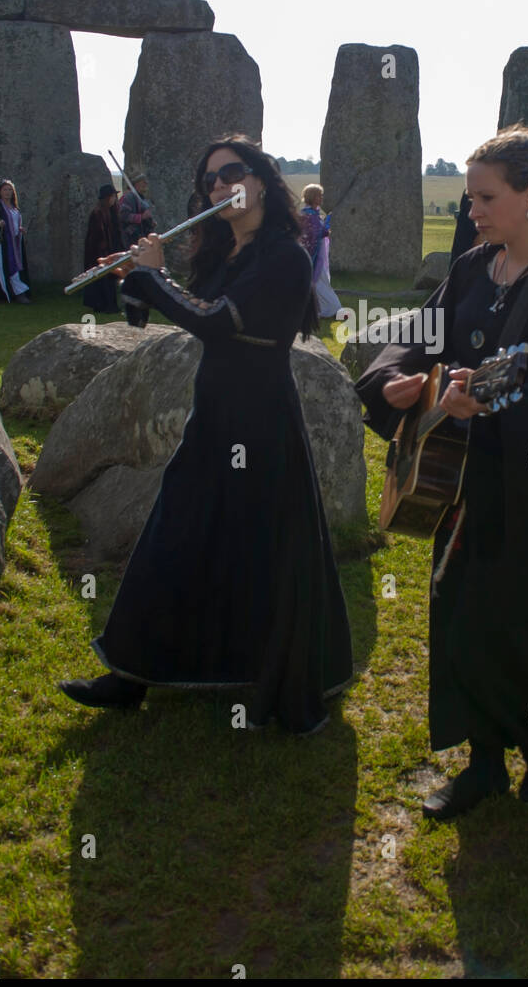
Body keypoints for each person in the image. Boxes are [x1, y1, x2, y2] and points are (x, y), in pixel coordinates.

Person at [356, 125, 528, 820]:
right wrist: (394, 385)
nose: (471, 211)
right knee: (464, 617)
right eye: (468, 197)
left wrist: (497, 403)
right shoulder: (473, 267)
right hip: (462, 482)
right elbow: (414, 338)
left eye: (484, 198)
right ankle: (484, 764)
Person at [59, 136, 353, 735]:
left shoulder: (286, 257)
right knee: (172, 539)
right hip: (214, 418)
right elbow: (183, 310)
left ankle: (280, 684)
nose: (220, 188)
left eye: (232, 174)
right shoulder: (225, 256)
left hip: (263, 427)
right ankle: (131, 674)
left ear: (263, 181)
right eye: (210, 182)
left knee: (267, 559)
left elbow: (219, 323)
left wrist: (153, 278)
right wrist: (139, 280)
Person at [299, 183, 340, 318]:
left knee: (320, 284)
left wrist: (325, 225)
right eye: (319, 195)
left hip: (317, 256)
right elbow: (310, 235)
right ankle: (333, 309)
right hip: (314, 257)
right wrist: (325, 228)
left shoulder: (313, 214)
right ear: (312, 197)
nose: (321, 198)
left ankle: (321, 309)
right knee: (320, 283)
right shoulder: (308, 215)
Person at [82, 184, 124, 314]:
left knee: (108, 280)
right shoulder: (98, 213)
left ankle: (109, 304)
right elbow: (97, 236)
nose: (114, 200)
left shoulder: (110, 211)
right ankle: (102, 305)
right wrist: (104, 251)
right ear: (107, 198)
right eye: (112, 197)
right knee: (100, 279)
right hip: (99, 252)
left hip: (107, 251)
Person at [118, 173, 154, 247]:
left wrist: (149, 222)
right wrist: (141, 217)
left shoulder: (141, 198)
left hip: (141, 238)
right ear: (136, 183)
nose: (146, 183)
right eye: (142, 181)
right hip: (131, 239)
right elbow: (124, 216)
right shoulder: (128, 197)